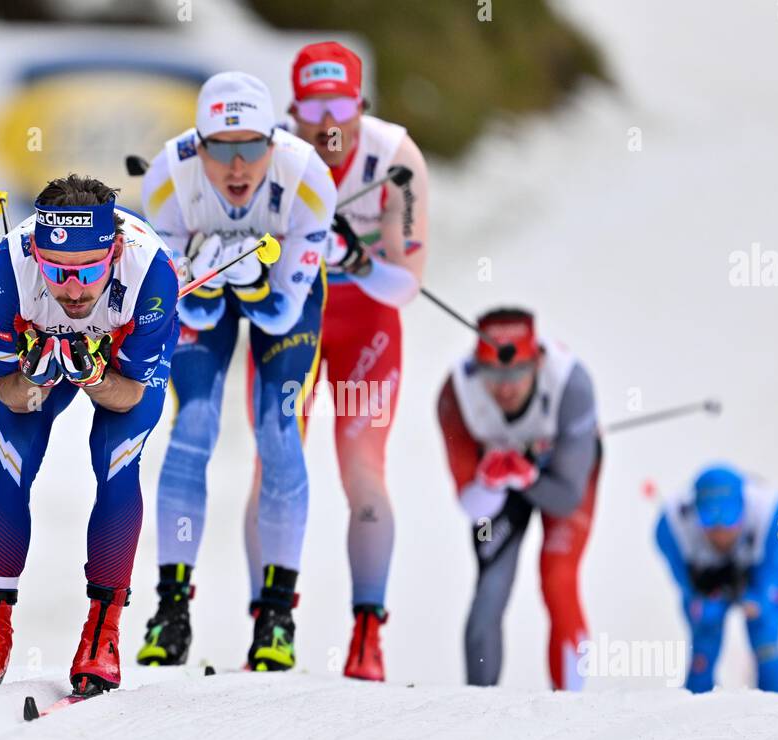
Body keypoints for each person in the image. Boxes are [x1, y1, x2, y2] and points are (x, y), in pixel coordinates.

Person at [239, 40, 430, 681]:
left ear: (361, 105)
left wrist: (356, 262)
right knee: (274, 463)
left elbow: (407, 284)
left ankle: (367, 633)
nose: (327, 123)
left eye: (340, 104)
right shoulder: (270, 156)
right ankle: (269, 622)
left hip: (366, 329)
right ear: (292, 111)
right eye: (314, 107)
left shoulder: (394, 158)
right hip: (290, 321)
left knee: (362, 471)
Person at [0, 174, 180, 695]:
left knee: (118, 461)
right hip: (43, 350)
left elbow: (131, 396)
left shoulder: (153, 274)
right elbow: (9, 393)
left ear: (115, 251)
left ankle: (102, 633)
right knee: (10, 461)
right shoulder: (4, 270)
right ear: (36, 253)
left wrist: (94, 376)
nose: (73, 289)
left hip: (119, 358)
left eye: (88, 271)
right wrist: (33, 375)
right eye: (57, 272)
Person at [137, 72, 336, 671]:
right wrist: (209, 274)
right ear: (198, 147)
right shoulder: (167, 179)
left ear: (275, 142)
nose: (238, 164)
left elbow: (279, 315)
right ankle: (170, 611)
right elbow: (191, 306)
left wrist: (242, 277)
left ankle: (276, 616)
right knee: (192, 426)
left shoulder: (308, 180)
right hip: (215, 290)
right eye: (221, 149)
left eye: (252, 146)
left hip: (281, 297)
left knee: (279, 434)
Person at [437, 308, 601, 689]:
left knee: (558, 578)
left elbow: (565, 499)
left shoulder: (572, 386)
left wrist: (527, 475)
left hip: (560, 477)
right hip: (500, 485)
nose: (505, 388)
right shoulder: (455, 394)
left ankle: (571, 703)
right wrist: (492, 482)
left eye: (516, 374)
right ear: (478, 368)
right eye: (493, 375)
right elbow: (468, 505)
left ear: (538, 363)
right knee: (491, 586)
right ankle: (477, 702)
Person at [655, 464, 778, 694]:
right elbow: (677, 570)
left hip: (758, 571)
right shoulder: (670, 524)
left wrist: (761, 597)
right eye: (709, 524)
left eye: (729, 522)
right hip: (705, 577)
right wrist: (695, 592)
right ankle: (694, 708)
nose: (720, 534)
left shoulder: (776, 514)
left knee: (765, 638)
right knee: (704, 637)